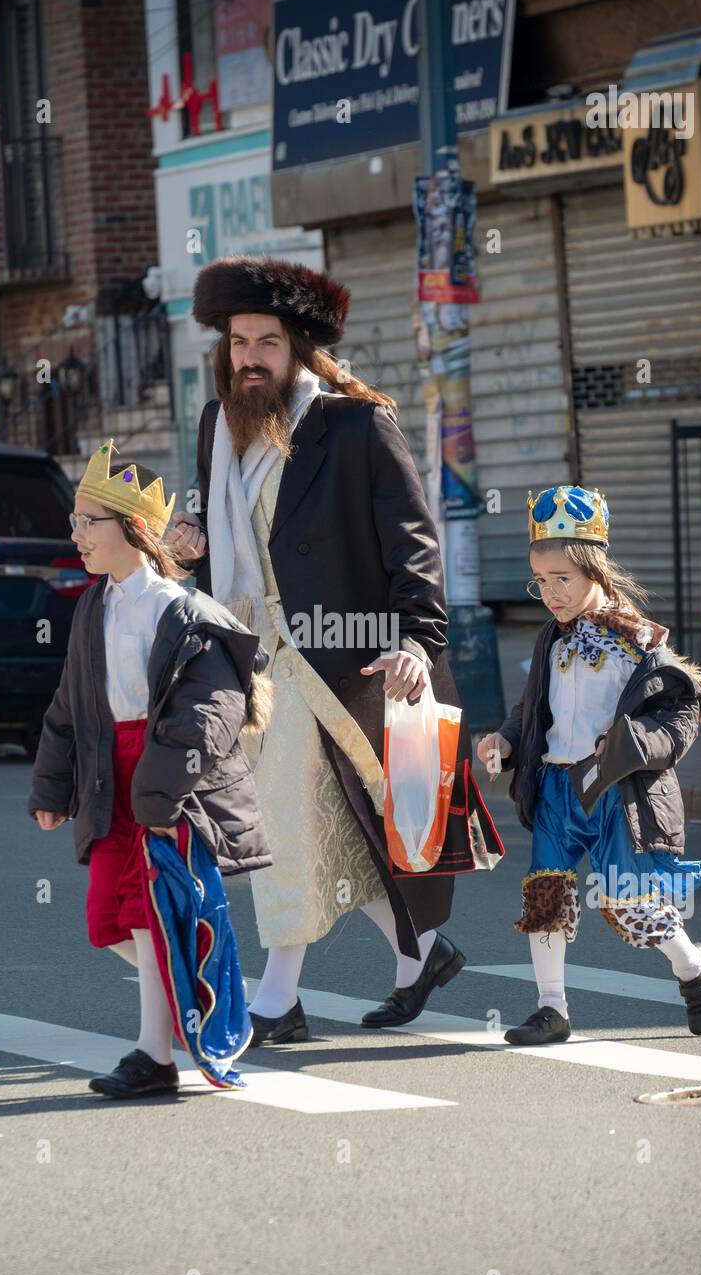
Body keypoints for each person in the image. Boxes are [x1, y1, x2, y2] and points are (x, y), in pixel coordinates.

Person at [170, 254, 503, 1044]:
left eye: (267, 343)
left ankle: (276, 1001)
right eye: (239, 342)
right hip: (256, 658)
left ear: (299, 351)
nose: (249, 357)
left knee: (283, 822)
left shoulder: (355, 424)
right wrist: (188, 551)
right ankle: (419, 955)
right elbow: (234, 549)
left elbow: (414, 544)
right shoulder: (221, 425)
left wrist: (420, 638)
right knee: (338, 826)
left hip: (342, 660)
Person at [29, 440, 273, 1096]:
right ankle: (198, 982)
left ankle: (154, 1055)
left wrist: (163, 794)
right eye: (73, 522)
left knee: (149, 910)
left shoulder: (181, 611)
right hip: (112, 777)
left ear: (133, 530)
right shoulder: (93, 606)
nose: (75, 535)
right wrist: (54, 785)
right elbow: (69, 706)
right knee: (110, 917)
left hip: (166, 782)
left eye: (88, 522)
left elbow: (206, 713)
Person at [477, 484, 701, 1046]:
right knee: (545, 896)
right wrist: (505, 741)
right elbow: (531, 707)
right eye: (540, 582)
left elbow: (680, 714)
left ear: (595, 570)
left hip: (616, 792)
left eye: (561, 579)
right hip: (555, 790)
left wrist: (633, 741)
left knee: (630, 902)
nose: (550, 593)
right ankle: (551, 1009)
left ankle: (692, 965)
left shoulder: (638, 641)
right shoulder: (549, 638)